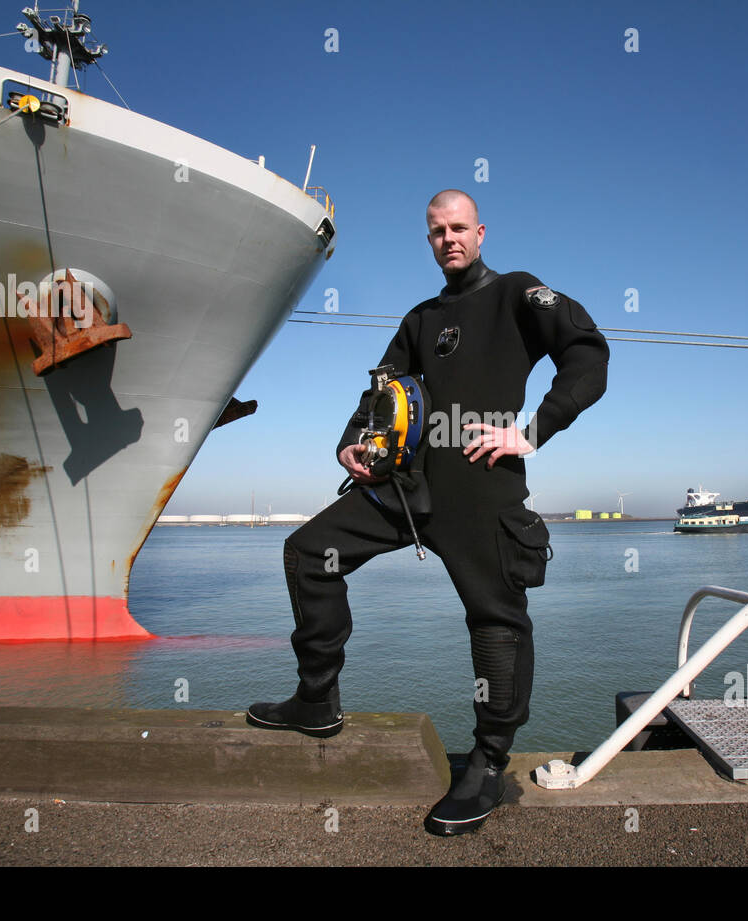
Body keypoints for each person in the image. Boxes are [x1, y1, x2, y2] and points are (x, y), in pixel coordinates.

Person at [248, 189, 609, 836]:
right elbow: (380, 390)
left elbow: (589, 355)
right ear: (428, 239)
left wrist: (532, 430)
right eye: (437, 231)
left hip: (481, 486)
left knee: (496, 621)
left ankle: (489, 765)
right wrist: (350, 440)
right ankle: (316, 698)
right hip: (406, 489)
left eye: (460, 228)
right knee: (308, 554)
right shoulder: (420, 318)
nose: (449, 239)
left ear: (481, 232)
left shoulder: (518, 294)